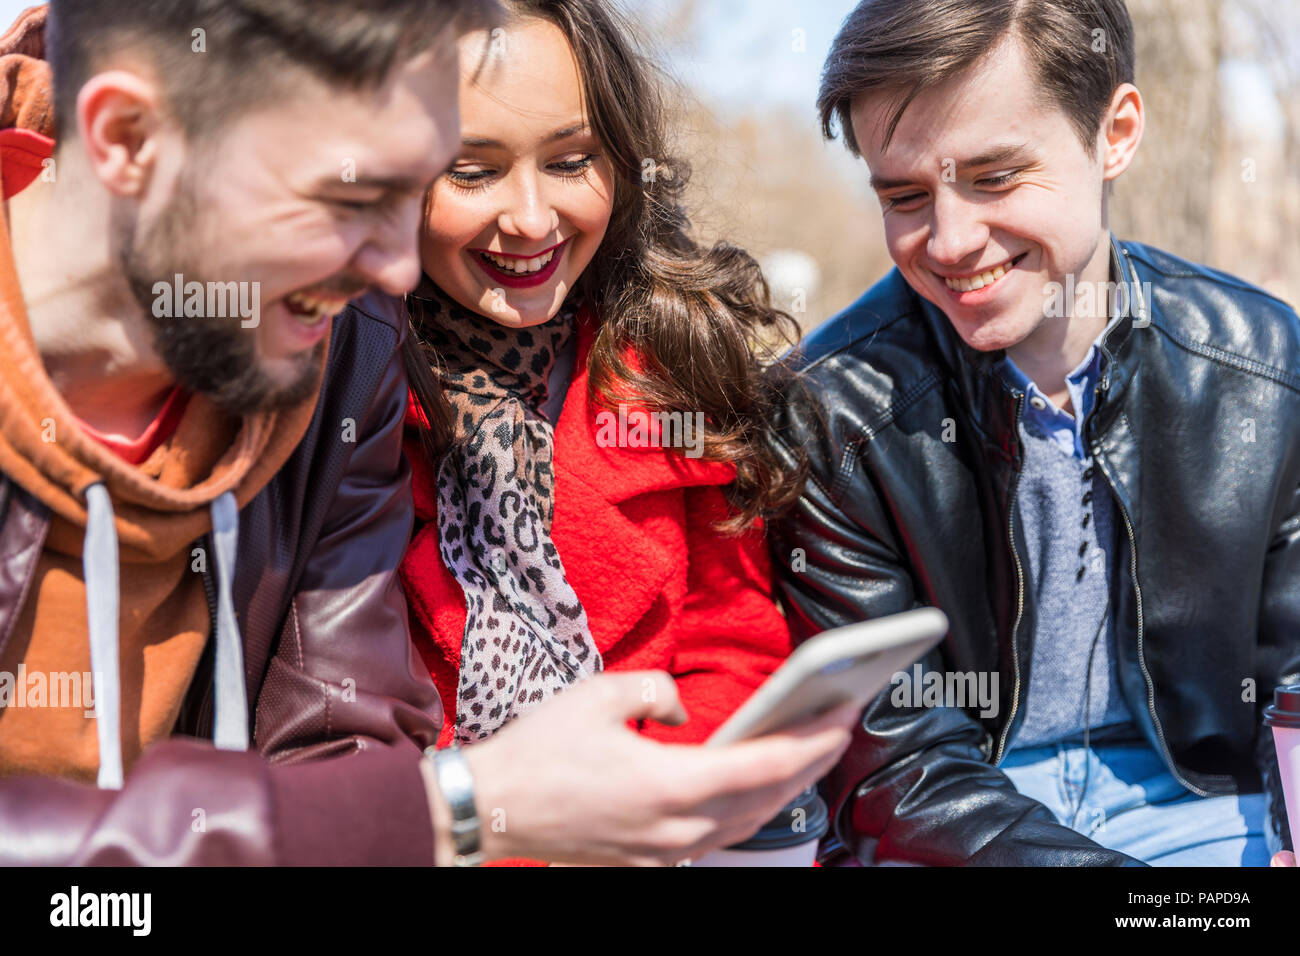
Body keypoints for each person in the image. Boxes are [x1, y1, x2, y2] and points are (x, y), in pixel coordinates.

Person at [0, 0, 854, 867]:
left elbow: (338, 737)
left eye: (406, 193)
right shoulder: (357, 349)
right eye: (350, 195)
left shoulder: (340, 355)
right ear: (127, 138)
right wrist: (464, 809)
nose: (396, 269)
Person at [768, 0, 1300, 867]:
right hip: (957, 821)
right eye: (904, 195)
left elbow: (1293, 684)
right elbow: (891, 771)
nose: (950, 240)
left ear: (1114, 133)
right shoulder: (832, 414)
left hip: (1209, 807)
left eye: (996, 177)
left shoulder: (1267, 365)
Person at [398, 0, 811, 865]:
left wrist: (631, 803)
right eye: (471, 172)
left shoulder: (674, 359)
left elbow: (731, 649)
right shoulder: (346, 399)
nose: (532, 219)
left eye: (570, 161)